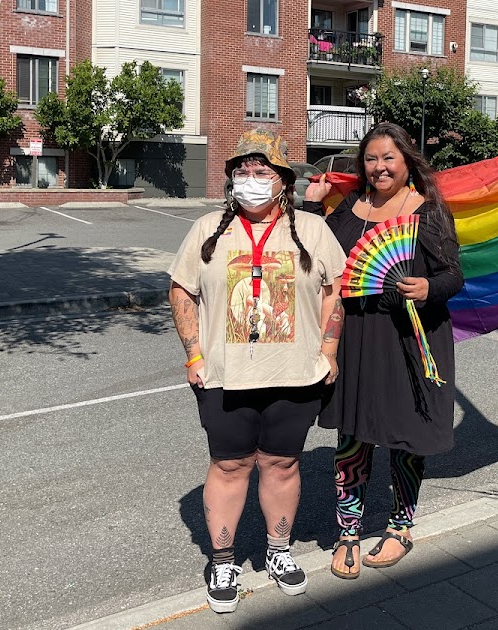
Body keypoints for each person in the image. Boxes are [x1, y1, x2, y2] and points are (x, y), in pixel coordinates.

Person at [168, 129, 346, 613]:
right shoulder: (208, 228)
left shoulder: (311, 230)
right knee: (229, 466)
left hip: (295, 376)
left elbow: (336, 290)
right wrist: (194, 354)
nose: (250, 180)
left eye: (261, 172)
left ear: (283, 180)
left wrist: (328, 351)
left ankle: (279, 550)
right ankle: (222, 559)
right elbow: (182, 290)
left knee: (282, 464)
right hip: (224, 377)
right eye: (242, 172)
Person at [303, 122, 463, 579]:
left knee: (404, 436)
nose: (379, 167)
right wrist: (309, 209)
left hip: (412, 337)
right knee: (352, 435)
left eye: (388, 158)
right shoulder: (347, 210)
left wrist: (429, 286)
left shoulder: (426, 211)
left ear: (407, 161)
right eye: (371, 159)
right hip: (355, 338)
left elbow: (454, 276)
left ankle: (400, 528)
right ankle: (348, 533)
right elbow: (312, 259)